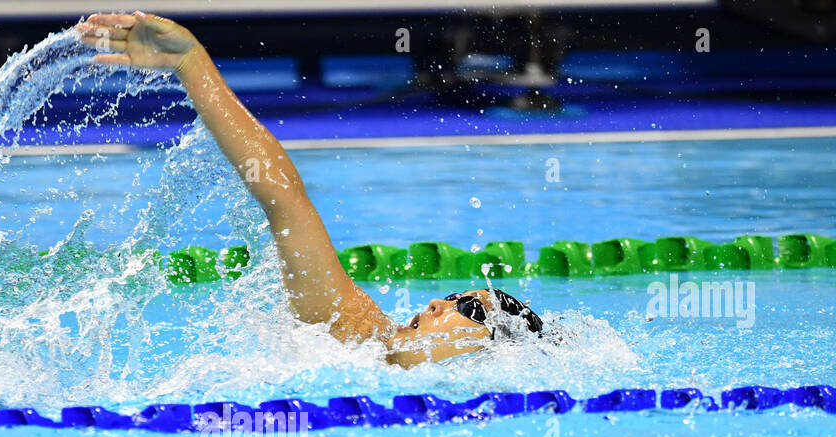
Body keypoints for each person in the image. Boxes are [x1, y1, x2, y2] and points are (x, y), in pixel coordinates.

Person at [77, 11, 543, 368]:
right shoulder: (356, 336)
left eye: (468, 310)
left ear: (491, 351)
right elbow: (284, 198)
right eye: (456, 298)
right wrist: (191, 63)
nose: (437, 302)